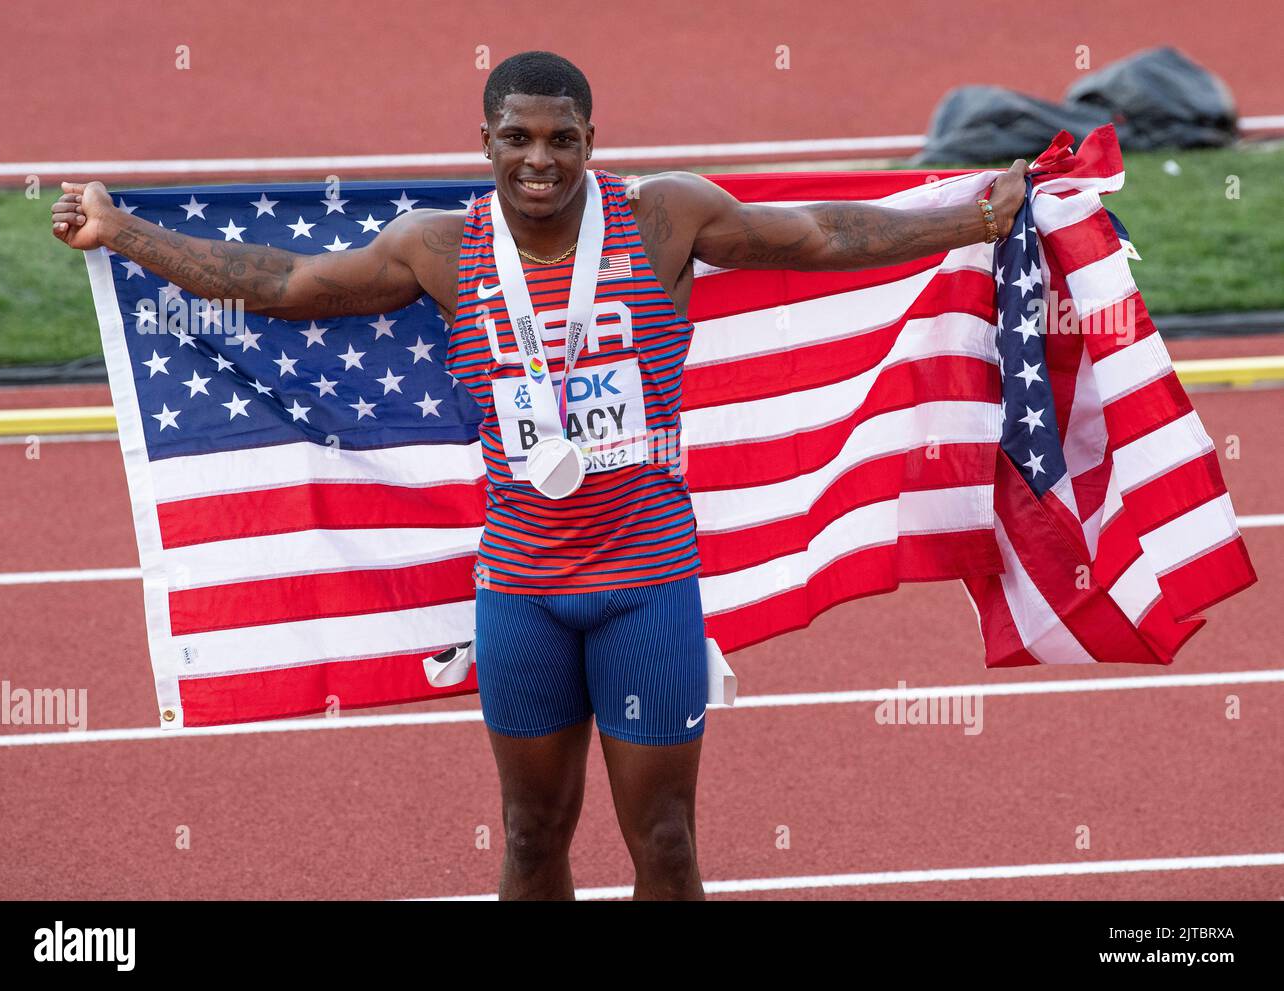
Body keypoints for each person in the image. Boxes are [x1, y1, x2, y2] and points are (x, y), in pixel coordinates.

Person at [51, 49, 1027, 901]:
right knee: (527, 840)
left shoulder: (661, 220)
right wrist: (119, 229)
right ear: (485, 142)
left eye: (562, 139)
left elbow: (822, 238)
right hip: (521, 590)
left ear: (592, 141)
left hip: (647, 587)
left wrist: (975, 220)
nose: (539, 161)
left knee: (669, 846)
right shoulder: (441, 248)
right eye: (518, 137)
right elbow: (282, 286)